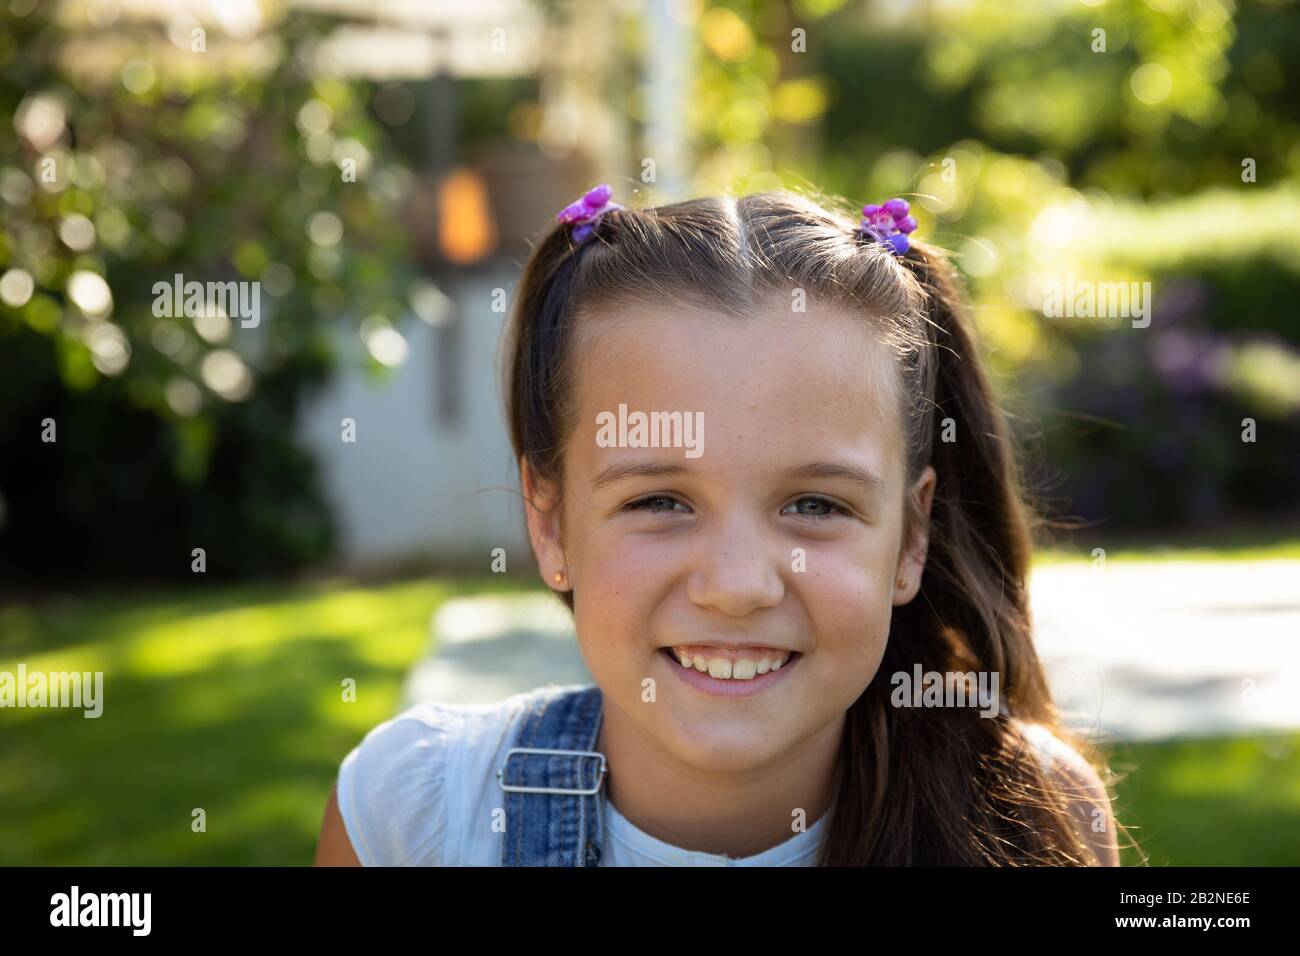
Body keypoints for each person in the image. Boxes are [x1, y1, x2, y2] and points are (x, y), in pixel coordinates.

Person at [315, 186, 1122, 866]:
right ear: (552, 524)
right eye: (660, 501)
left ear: (911, 539)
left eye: (816, 505)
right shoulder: (414, 816)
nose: (737, 586)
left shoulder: (1038, 820)